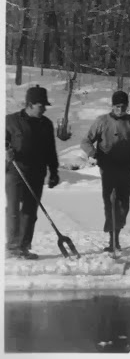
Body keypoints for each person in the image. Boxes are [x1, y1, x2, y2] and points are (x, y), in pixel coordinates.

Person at [81, 90, 130, 252]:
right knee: (110, 202)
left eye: (123, 106)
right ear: (112, 106)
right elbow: (85, 141)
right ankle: (113, 240)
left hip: (126, 167)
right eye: (117, 106)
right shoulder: (102, 121)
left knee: (123, 203)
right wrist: (95, 154)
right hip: (108, 166)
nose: (120, 109)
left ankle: (119, 225)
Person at [5, 86, 61, 260]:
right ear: (29, 104)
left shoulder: (46, 124)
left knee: (30, 211)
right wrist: (5, 151)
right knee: (14, 208)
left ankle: (24, 246)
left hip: (37, 173)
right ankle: (13, 246)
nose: (44, 108)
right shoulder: (11, 120)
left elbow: (51, 150)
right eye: (40, 105)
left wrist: (54, 172)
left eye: (44, 105)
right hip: (15, 171)